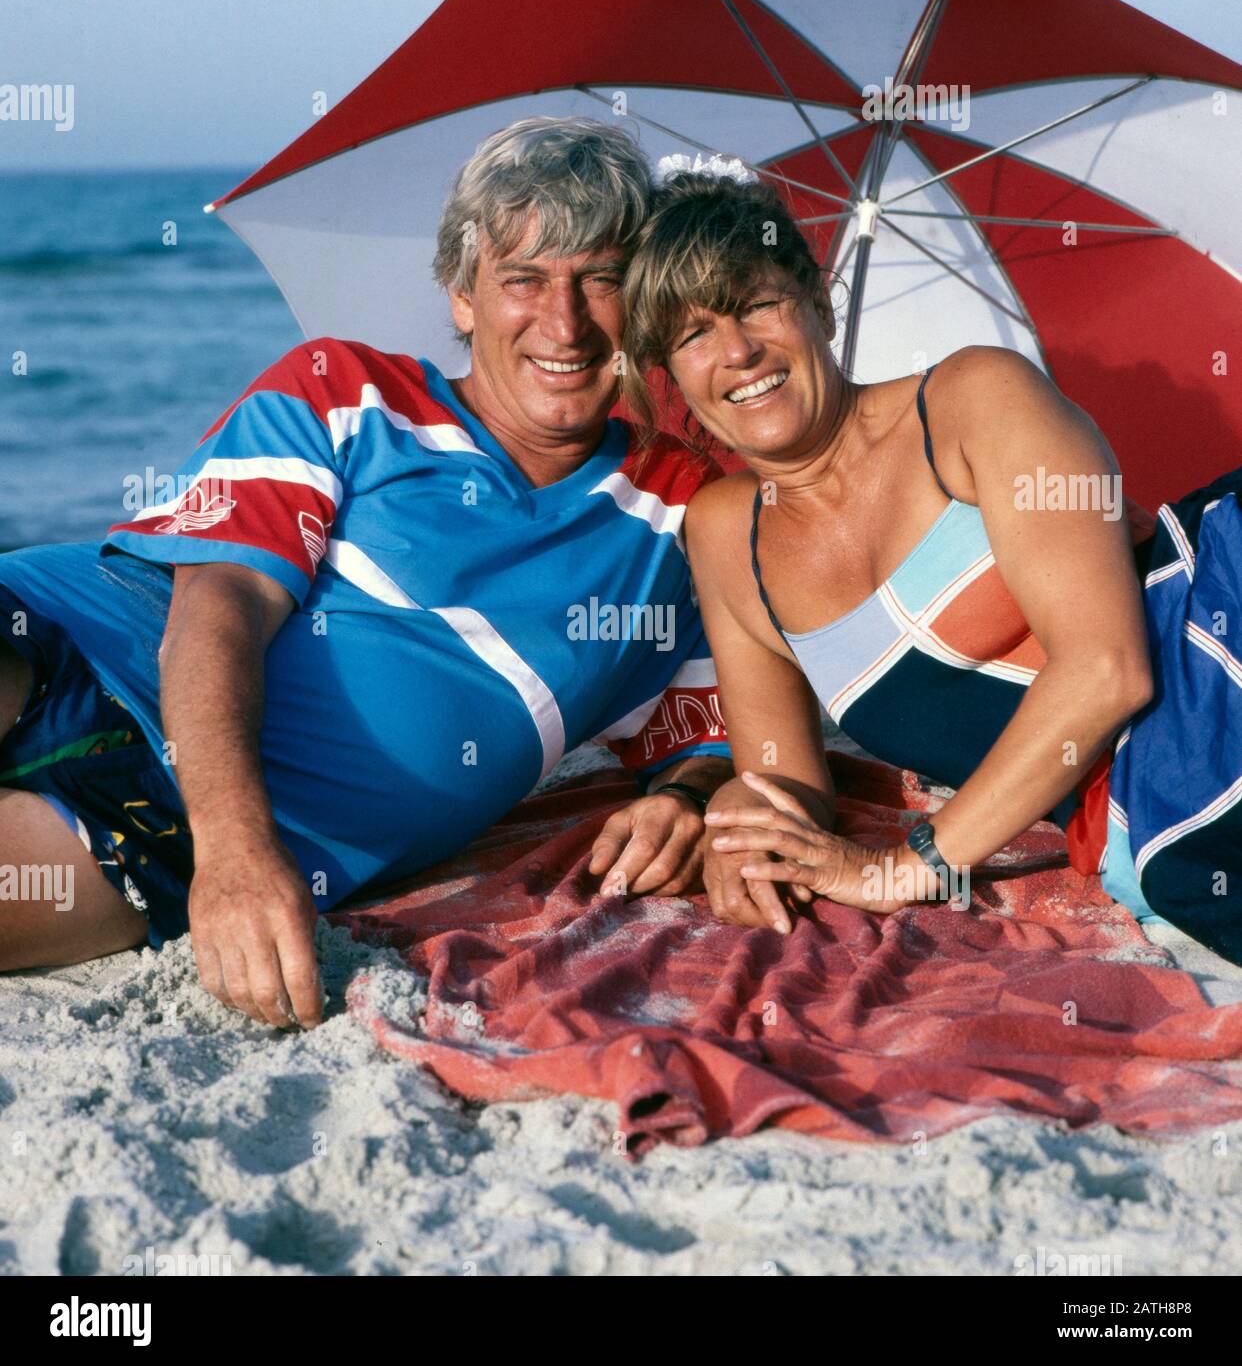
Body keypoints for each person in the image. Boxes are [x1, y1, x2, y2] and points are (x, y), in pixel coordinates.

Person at [0, 118, 734, 1024]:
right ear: (462, 296)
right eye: (524, 280)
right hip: (70, 635)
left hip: (176, 829)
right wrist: (237, 854)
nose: (566, 321)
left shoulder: (687, 517)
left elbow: (711, 732)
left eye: (601, 280)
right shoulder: (346, 390)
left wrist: (689, 800)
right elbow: (220, 601)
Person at [621, 172, 1242, 963]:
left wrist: (907, 866)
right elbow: (788, 779)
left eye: (756, 304)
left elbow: (1107, 670)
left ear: (819, 301)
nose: (738, 351)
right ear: (668, 374)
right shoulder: (721, 531)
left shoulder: (973, 400)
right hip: (1141, 811)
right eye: (693, 335)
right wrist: (741, 819)